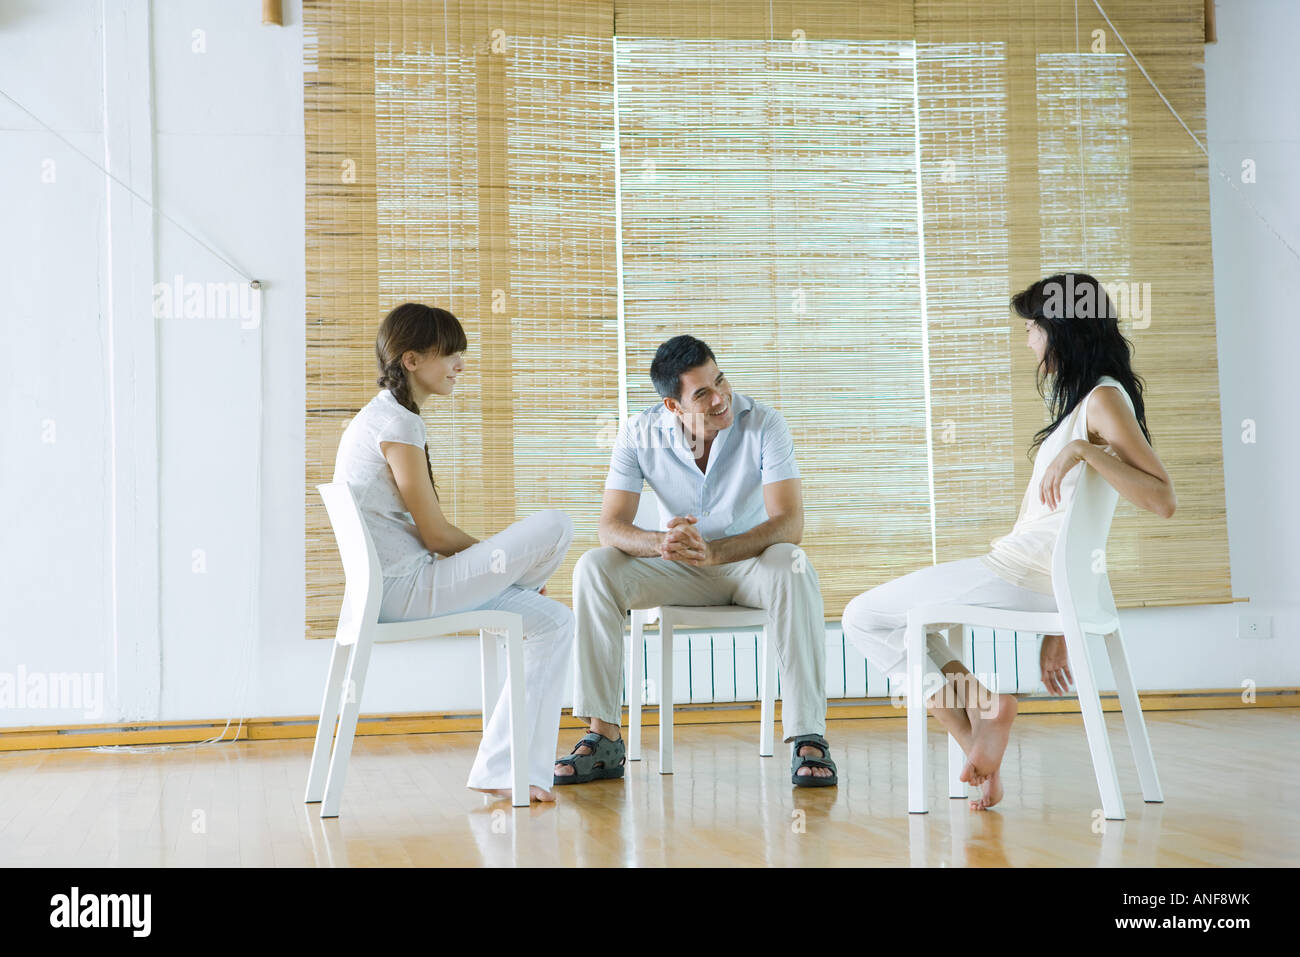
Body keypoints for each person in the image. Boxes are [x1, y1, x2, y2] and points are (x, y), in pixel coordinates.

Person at [842, 273, 1177, 810]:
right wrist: (1059, 622)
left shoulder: (1102, 400)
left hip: (1020, 571)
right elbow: (1069, 526)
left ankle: (984, 720)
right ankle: (983, 726)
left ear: (1061, 330)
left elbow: (1162, 499)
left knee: (862, 616)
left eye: (1032, 328)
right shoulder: (1091, 401)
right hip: (1040, 578)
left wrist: (1087, 454)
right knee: (908, 628)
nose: (1028, 340)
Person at [556, 335, 837, 788]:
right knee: (595, 566)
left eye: (720, 381)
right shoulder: (638, 433)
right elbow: (610, 527)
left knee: (793, 560)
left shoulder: (765, 424)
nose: (720, 397)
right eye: (702, 393)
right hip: (679, 571)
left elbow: (789, 523)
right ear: (672, 406)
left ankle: (809, 736)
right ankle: (603, 737)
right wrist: (659, 544)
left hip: (752, 567)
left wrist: (717, 552)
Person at [332, 302, 575, 803]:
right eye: (450, 354)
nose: (460, 364)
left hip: (400, 587)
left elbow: (431, 537)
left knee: (553, 621)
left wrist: (500, 571)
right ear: (411, 360)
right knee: (555, 524)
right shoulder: (396, 424)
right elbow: (438, 537)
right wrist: (503, 568)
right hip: (406, 589)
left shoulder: (383, 417)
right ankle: (517, 584)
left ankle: (505, 771)